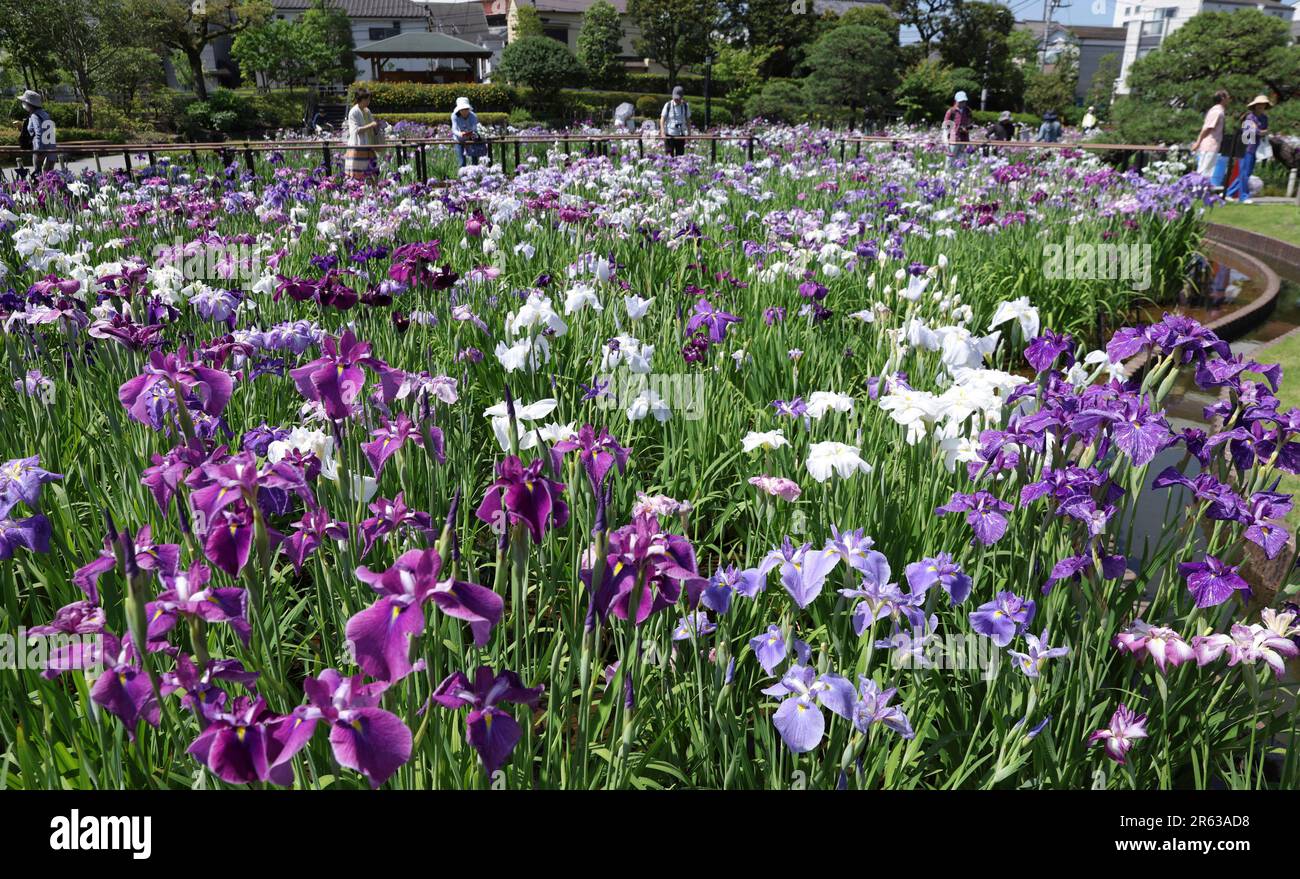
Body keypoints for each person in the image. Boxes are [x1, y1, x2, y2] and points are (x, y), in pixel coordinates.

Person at [1226, 95, 1271, 204]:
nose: (1261, 106)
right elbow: (1250, 133)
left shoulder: (1264, 118)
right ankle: (1243, 196)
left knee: (1246, 172)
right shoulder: (1249, 117)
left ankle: (1229, 193)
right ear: (1255, 106)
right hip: (1246, 147)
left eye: (1263, 104)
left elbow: (1263, 131)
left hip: (1255, 147)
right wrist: (1260, 132)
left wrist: (1261, 132)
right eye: (1259, 104)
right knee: (1245, 172)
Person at [1191, 90, 1229, 180]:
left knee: (1207, 170)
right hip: (1210, 144)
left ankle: (1202, 190)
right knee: (1205, 171)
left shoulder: (1220, 111)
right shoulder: (1217, 112)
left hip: (1213, 145)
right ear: (1223, 98)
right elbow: (1208, 128)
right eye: (1227, 97)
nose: (1229, 99)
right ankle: (1199, 191)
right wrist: (1198, 142)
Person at [345, 88, 381, 183]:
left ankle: (374, 192)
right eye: (367, 99)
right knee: (358, 175)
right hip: (358, 147)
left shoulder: (367, 111)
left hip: (369, 146)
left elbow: (372, 126)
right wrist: (371, 125)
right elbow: (355, 130)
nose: (369, 101)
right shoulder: (354, 112)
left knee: (372, 173)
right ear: (362, 99)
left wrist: (377, 125)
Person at [20, 90, 56, 175]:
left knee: (39, 176)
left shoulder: (34, 116)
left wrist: (40, 151)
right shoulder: (45, 114)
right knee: (48, 178)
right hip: (51, 149)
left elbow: (39, 132)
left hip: (40, 149)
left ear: (29, 104)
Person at [942, 91, 972, 162]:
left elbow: (969, 123)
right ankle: (948, 173)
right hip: (953, 139)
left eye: (964, 101)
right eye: (960, 101)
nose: (962, 103)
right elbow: (946, 127)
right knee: (950, 160)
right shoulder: (951, 111)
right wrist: (945, 141)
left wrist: (966, 128)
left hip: (964, 139)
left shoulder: (967, 111)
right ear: (956, 101)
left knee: (962, 160)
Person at [660, 86, 690, 157]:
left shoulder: (685, 106)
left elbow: (688, 120)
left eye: (678, 98)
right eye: (675, 98)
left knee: (680, 157)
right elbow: (662, 119)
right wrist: (662, 132)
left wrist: (689, 133)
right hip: (669, 135)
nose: (676, 100)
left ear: (682, 97)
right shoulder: (668, 105)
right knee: (669, 157)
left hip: (681, 135)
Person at [451, 96, 481, 168]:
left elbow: (475, 128)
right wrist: (460, 134)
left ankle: (475, 176)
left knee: (475, 161)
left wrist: (470, 134)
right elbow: (454, 129)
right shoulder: (454, 116)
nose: (464, 111)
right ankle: (462, 178)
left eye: (466, 109)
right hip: (459, 139)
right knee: (462, 162)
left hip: (471, 138)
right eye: (462, 109)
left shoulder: (473, 116)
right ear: (459, 110)